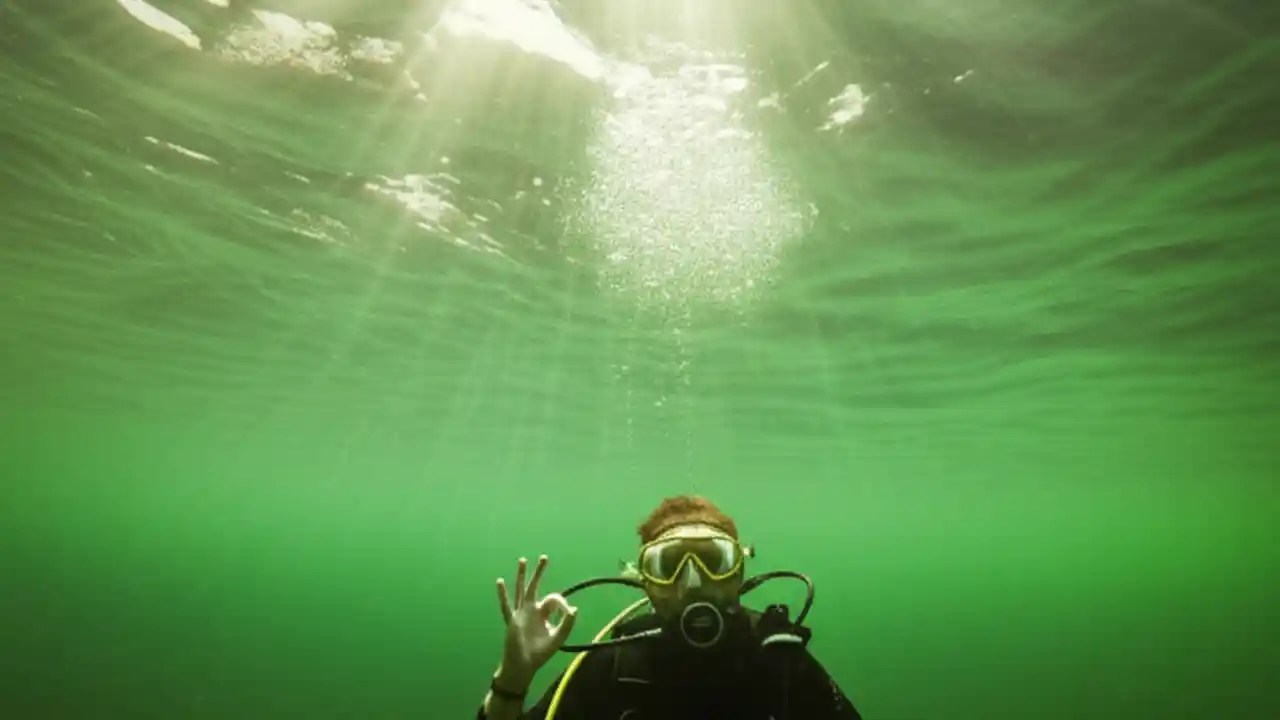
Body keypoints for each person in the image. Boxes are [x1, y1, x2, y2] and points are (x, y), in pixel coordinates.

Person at [477, 495, 862, 720]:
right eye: (667, 565)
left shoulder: (780, 659)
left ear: (740, 573)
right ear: (645, 582)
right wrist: (512, 678)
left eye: (715, 561)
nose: (692, 582)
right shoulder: (614, 667)